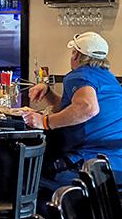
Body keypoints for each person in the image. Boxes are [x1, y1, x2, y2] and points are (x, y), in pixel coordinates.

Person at [22, 32, 122, 187]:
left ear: (75, 55)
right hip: (114, 165)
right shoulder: (109, 77)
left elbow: (87, 108)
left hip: (88, 164)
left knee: (27, 179)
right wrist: (48, 93)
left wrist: (45, 122)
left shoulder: (78, 75)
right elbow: (73, 109)